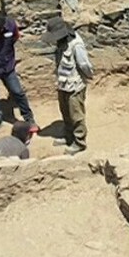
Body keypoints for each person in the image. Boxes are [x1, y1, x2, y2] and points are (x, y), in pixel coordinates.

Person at [41, 16, 93, 155]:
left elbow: (84, 64)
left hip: (75, 86)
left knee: (76, 115)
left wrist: (87, 77)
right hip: (63, 84)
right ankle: (69, 136)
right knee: (66, 113)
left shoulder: (76, 44)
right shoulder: (60, 43)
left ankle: (79, 142)